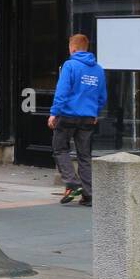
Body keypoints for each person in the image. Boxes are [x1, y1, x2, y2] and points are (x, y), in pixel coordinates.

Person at [49, 33, 108, 206]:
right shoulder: (98, 69)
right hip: (88, 118)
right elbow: (102, 96)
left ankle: (73, 184)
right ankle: (89, 195)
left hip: (68, 115)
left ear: (73, 48)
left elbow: (62, 91)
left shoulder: (70, 65)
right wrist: (95, 112)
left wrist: (54, 112)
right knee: (84, 156)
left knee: (59, 149)